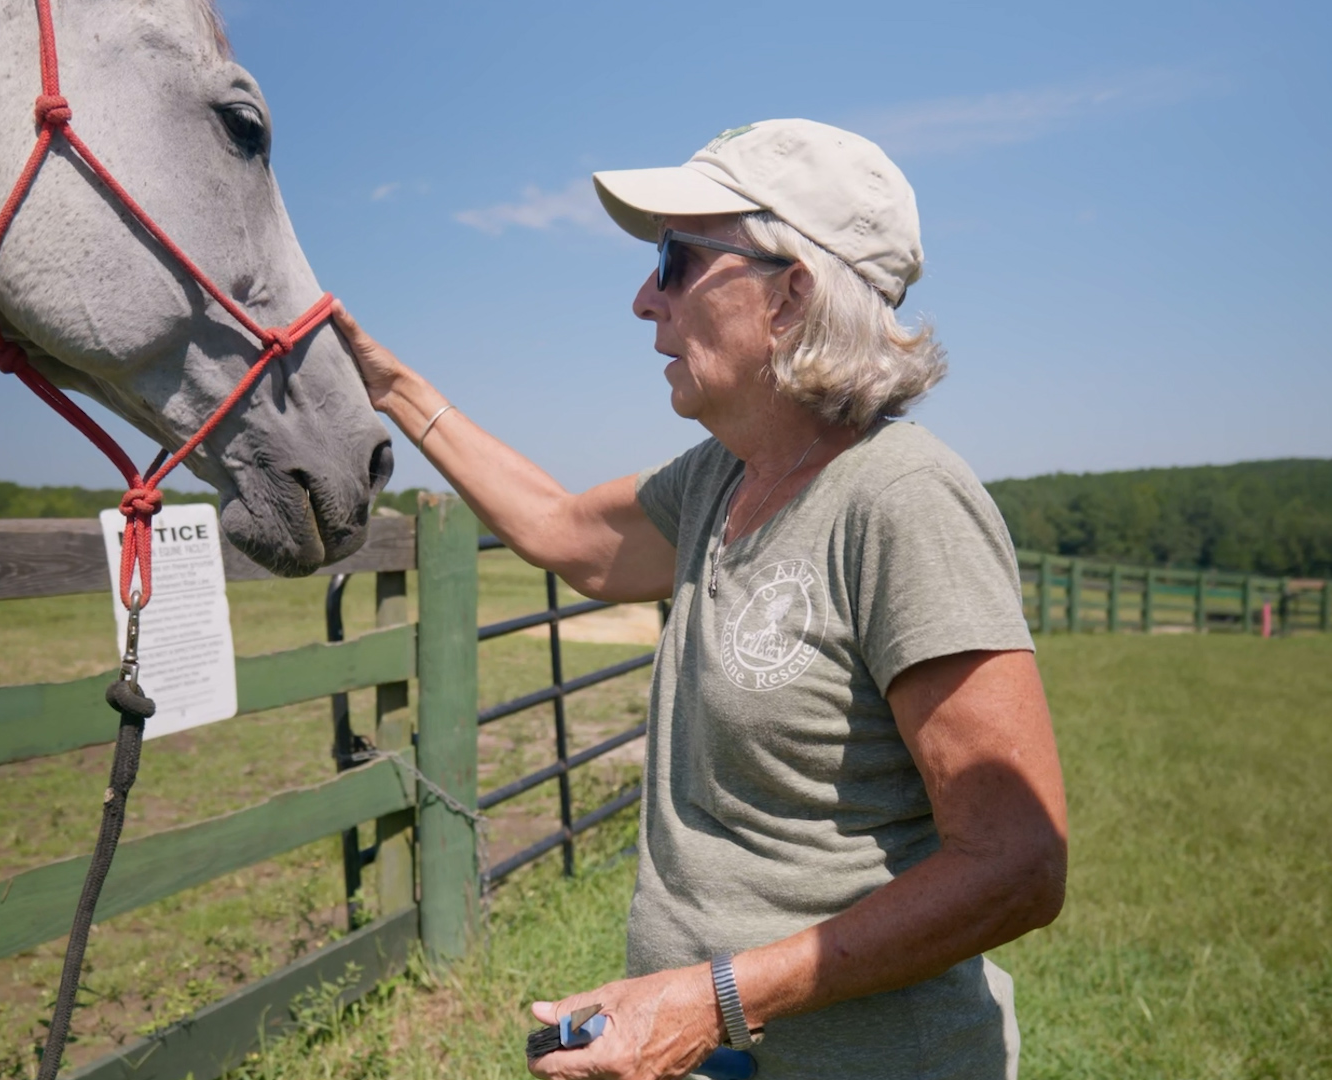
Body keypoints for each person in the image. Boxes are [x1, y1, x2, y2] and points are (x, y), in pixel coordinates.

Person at [336, 118, 1068, 1080]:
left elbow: (1018, 864)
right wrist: (393, 389)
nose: (646, 299)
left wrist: (717, 999)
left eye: (677, 261)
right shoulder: (721, 477)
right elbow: (566, 534)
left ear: (790, 295)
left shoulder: (902, 500)